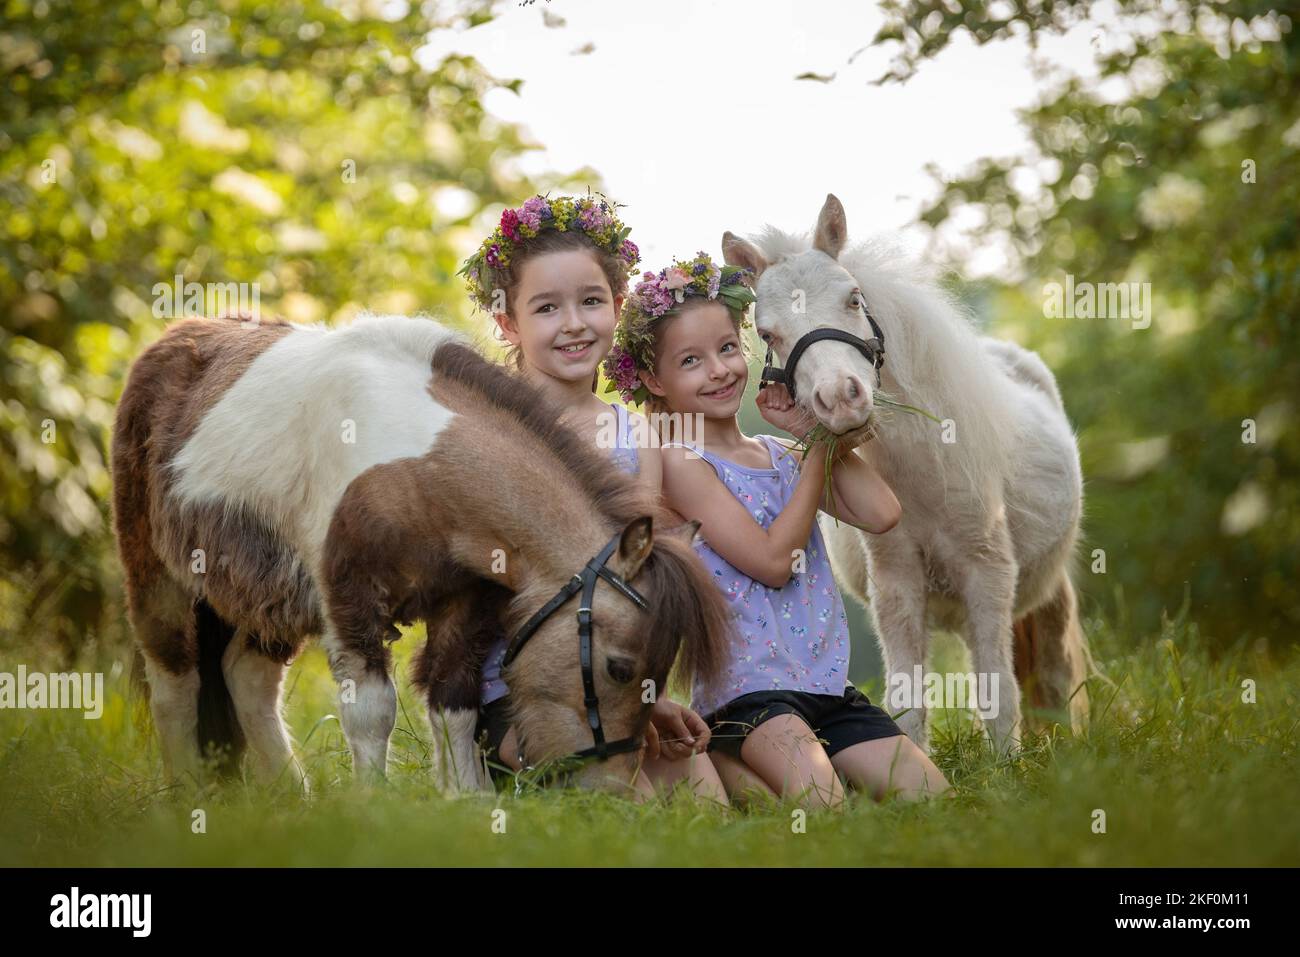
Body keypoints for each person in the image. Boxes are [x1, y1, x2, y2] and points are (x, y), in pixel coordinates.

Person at [604, 250, 952, 807]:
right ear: (654, 378)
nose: (719, 370)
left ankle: (762, 775)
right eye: (691, 361)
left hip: (827, 688)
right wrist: (817, 444)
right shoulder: (679, 462)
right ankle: (727, 754)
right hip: (748, 695)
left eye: (726, 349)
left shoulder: (779, 452)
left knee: (934, 800)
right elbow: (770, 561)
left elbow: (883, 512)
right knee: (826, 807)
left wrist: (807, 428)